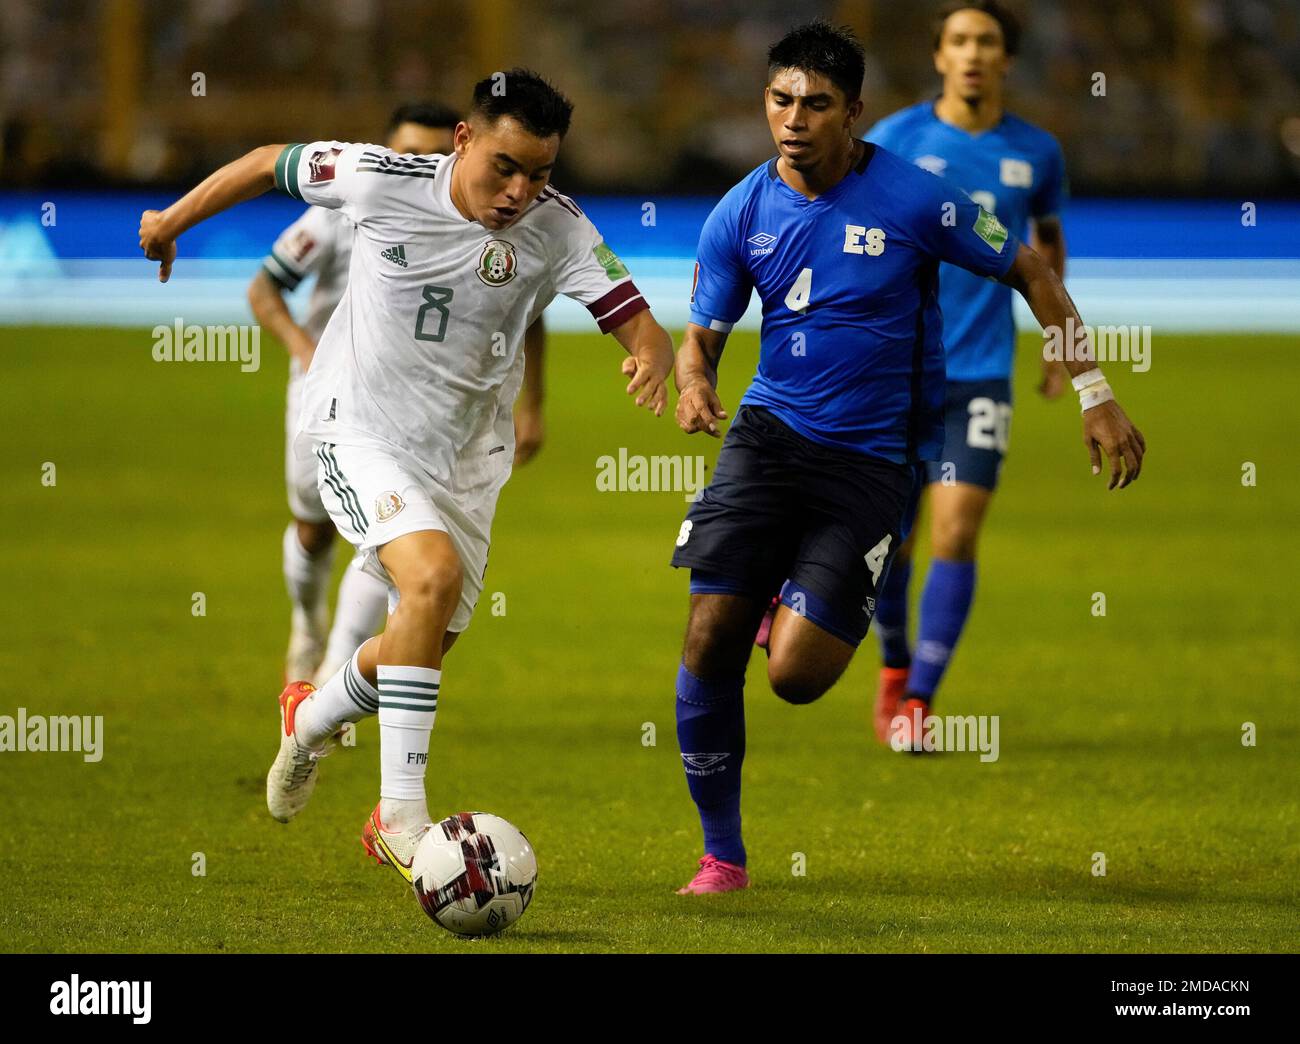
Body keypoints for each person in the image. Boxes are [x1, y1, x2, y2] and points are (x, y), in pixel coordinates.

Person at [139, 68, 675, 884]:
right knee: (429, 579)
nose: (520, 190)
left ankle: (309, 718)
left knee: (415, 645)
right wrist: (168, 221)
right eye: (506, 166)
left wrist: (657, 362)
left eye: (540, 174)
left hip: (465, 464)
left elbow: (637, 320)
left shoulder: (557, 227)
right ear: (463, 141)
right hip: (358, 430)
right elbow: (260, 162)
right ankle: (398, 819)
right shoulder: (376, 178)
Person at [667, 22, 1145, 894]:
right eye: (781, 101)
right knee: (708, 635)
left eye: (816, 104)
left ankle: (805, 599)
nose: (795, 120)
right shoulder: (739, 210)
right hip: (767, 440)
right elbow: (701, 335)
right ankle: (722, 854)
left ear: (854, 113)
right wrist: (696, 381)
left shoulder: (919, 199)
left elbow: (1033, 268)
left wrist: (1095, 391)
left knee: (799, 678)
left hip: (873, 463)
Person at [863, 1, 1070, 746]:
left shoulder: (1037, 153)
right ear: (940, 56)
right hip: (896, 373)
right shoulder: (895, 141)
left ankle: (919, 698)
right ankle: (891, 663)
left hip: (981, 373)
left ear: (1005, 59)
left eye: (986, 41)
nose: (973, 53)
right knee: (889, 540)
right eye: (959, 40)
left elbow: (1045, 248)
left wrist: (1057, 341)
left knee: (955, 533)